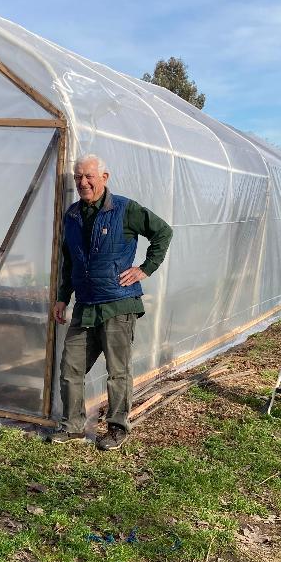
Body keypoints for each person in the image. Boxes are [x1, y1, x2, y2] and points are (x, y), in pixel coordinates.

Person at [50, 154, 173, 451]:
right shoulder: (72, 216)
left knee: (118, 370)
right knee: (71, 367)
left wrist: (145, 268)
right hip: (85, 304)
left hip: (118, 304)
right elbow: (70, 261)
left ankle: (117, 428)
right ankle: (73, 426)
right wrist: (62, 297)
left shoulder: (125, 209)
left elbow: (163, 232)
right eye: (78, 177)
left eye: (89, 176)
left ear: (105, 178)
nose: (83, 182)